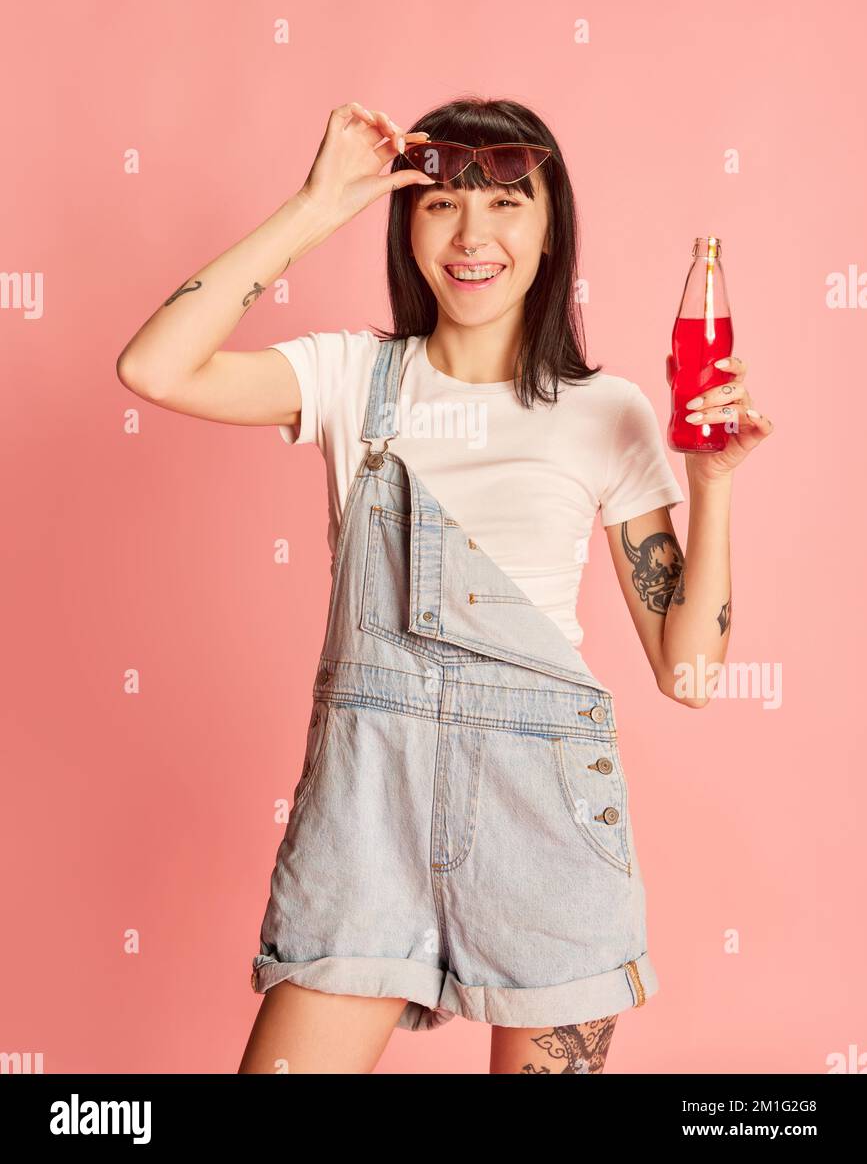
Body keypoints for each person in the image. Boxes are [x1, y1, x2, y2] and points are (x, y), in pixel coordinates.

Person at [116, 97, 773, 1074]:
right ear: (404, 222)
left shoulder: (609, 413)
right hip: (365, 819)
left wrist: (712, 487)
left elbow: (692, 673)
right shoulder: (351, 377)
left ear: (553, 231)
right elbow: (153, 365)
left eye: (508, 203)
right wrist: (315, 202)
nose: (473, 234)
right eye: (440, 203)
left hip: (548, 828)